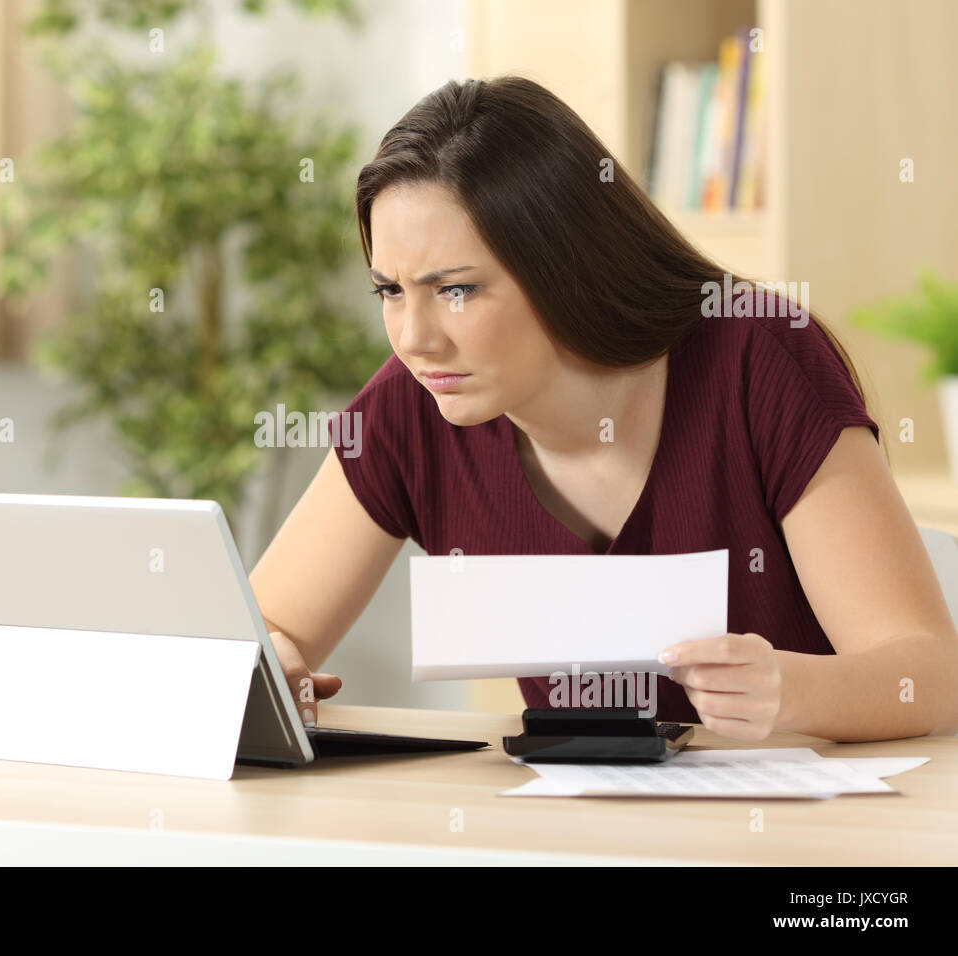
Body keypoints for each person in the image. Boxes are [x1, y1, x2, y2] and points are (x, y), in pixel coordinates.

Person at [248, 76, 958, 743]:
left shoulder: (760, 362)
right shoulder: (414, 405)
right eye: (389, 292)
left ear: (563, 266)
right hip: (583, 830)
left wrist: (791, 689)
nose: (414, 338)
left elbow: (928, 675)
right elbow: (260, 631)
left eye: (456, 290)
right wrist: (268, 667)